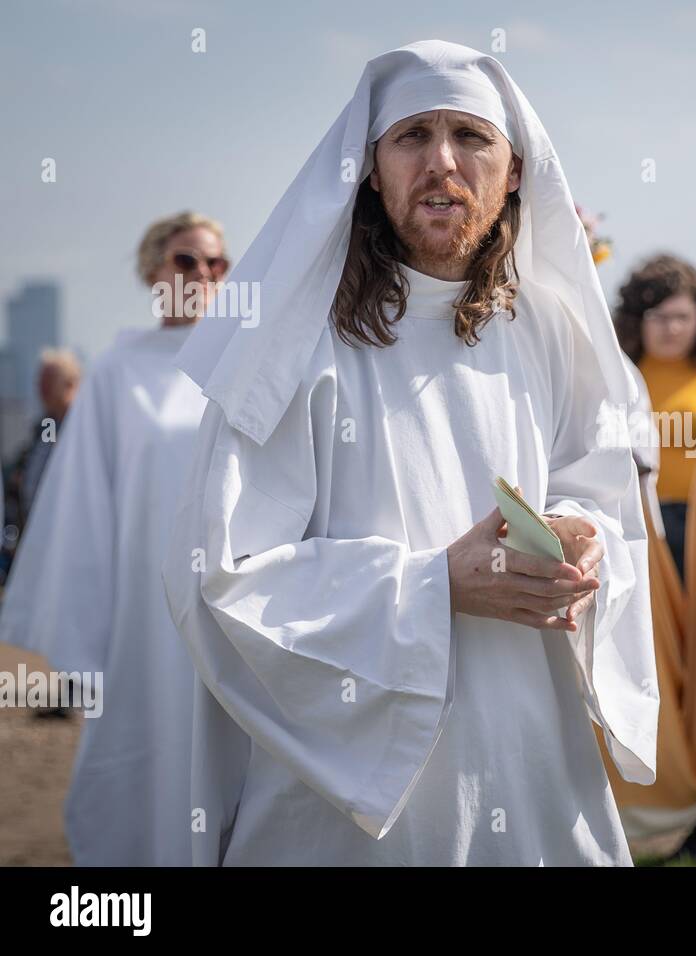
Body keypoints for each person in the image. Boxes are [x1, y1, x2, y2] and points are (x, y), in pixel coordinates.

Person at [162, 40, 657, 866]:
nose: (442, 162)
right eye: (412, 136)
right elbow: (221, 577)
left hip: (533, 765)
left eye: (470, 136)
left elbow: (601, 494)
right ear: (368, 167)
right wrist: (434, 588)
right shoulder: (292, 343)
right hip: (351, 807)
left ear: (515, 170)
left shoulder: (552, 328)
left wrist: (577, 535)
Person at [0, 210, 222, 863]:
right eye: (187, 260)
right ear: (153, 272)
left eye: (217, 262)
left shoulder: (251, 358)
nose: (204, 273)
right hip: (146, 617)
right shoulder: (118, 373)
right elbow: (81, 508)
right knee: (151, 760)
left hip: (237, 607)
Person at [613, 254, 696, 578]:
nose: (672, 328)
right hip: (637, 524)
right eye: (658, 316)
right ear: (636, 319)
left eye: (682, 316)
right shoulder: (618, 374)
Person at [0, 349, 80, 590]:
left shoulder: (84, 430)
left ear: (70, 384)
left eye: (48, 381)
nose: (40, 387)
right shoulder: (43, 429)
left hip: (70, 546)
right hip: (36, 543)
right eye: (39, 381)